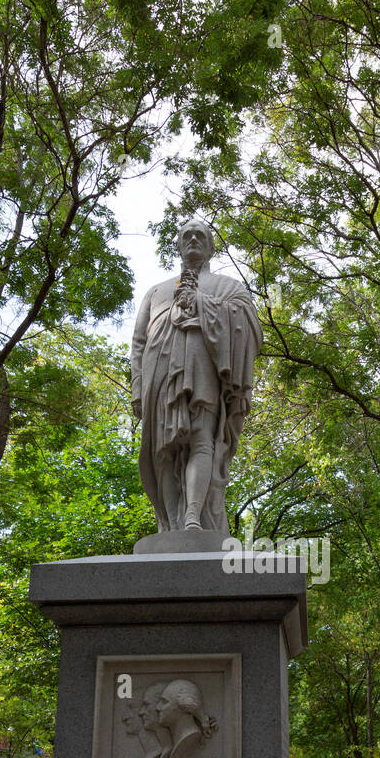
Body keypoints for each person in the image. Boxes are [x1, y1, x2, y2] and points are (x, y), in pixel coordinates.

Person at [131, 219, 262, 534]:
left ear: (210, 246)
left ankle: (192, 517)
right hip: (158, 375)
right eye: (186, 235)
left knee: (202, 439)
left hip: (202, 370)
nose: (193, 238)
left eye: (200, 235)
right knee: (163, 450)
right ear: (177, 244)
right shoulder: (156, 291)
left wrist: (202, 303)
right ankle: (172, 524)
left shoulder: (228, 287)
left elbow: (252, 329)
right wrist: (137, 388)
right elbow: (138, 343)